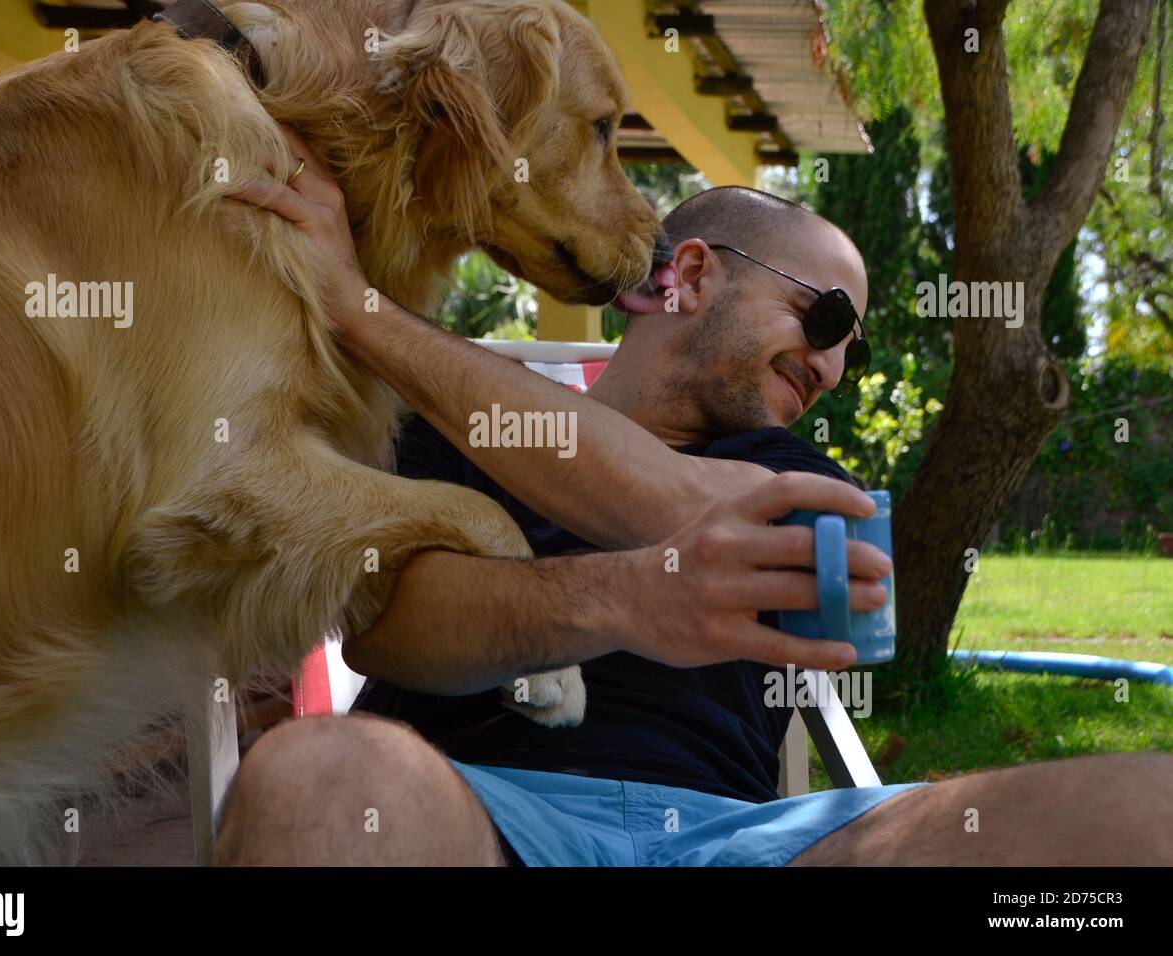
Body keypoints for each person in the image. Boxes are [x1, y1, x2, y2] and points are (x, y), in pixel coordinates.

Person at [212, 127, 1173, 866]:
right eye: (825, 316)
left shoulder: (785, 466)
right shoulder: (446, 430)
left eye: (854, 349)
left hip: (751, 839)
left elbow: (687, 506)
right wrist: (627, 598)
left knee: (1148, 815)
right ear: (694, 273)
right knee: (313, 776)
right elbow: (392, 633)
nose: (834, 366)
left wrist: (361, 310)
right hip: (481, 812)